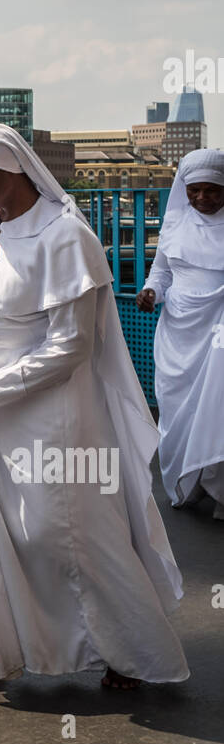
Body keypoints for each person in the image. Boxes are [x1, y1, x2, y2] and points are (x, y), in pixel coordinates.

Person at [0, 124, 188, 691]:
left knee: (61, 532)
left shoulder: (66, 237)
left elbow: (71, 346)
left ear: (14, 171)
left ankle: (130, 651)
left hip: (45, 416)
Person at [136, 148, 224, 518]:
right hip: (177, 331)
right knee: (176, 411)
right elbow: (161, 272)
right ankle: (187, 485)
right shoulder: (174, 224)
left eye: (212, 190)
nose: (201, 198)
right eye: (194, 190)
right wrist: (151, 292)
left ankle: (219, 491)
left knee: (217, 410)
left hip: (218, 330)